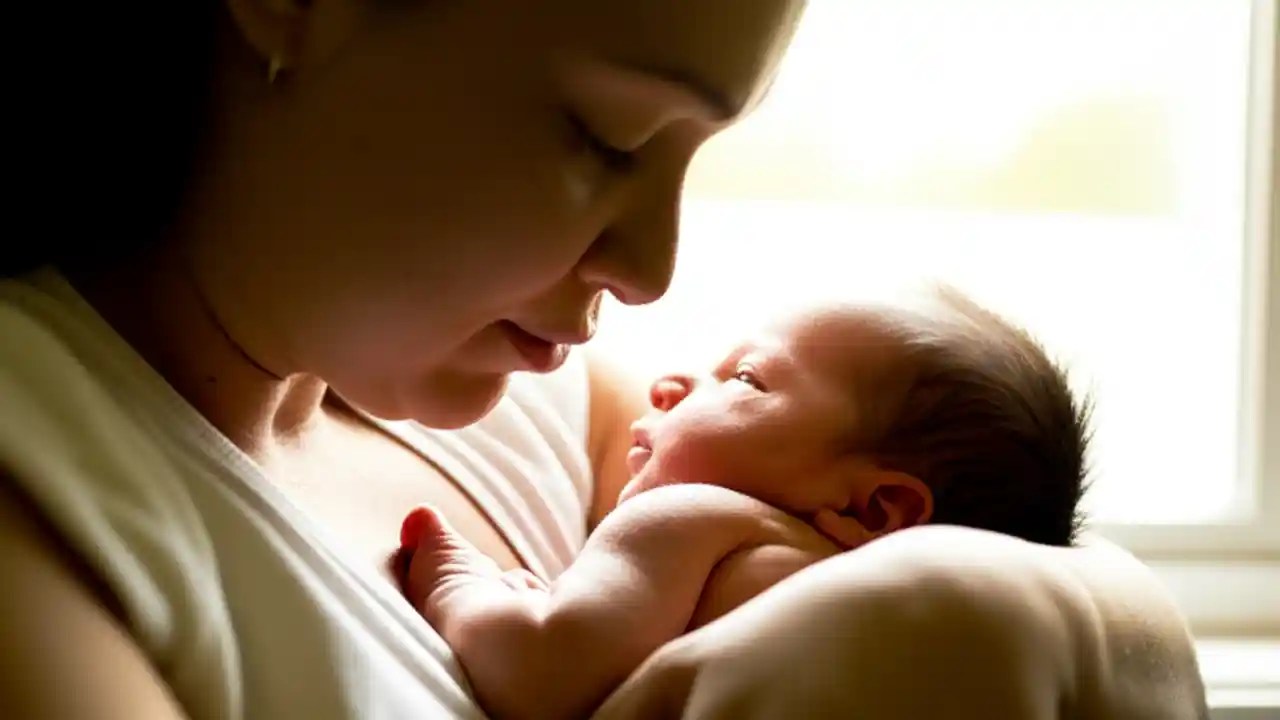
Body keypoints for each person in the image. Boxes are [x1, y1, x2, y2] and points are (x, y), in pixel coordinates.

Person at [0, 1, 1206, 719]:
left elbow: (975, 511)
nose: (650, 272)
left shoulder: (528, 400)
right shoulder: (45, 507)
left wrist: (1024, 611)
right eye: (606, 136)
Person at [397, 292, 1092, 720]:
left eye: (746, 380)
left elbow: (540, 676)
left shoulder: (695, 523)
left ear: (876, 509)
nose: (670, 384)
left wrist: (463, 585)